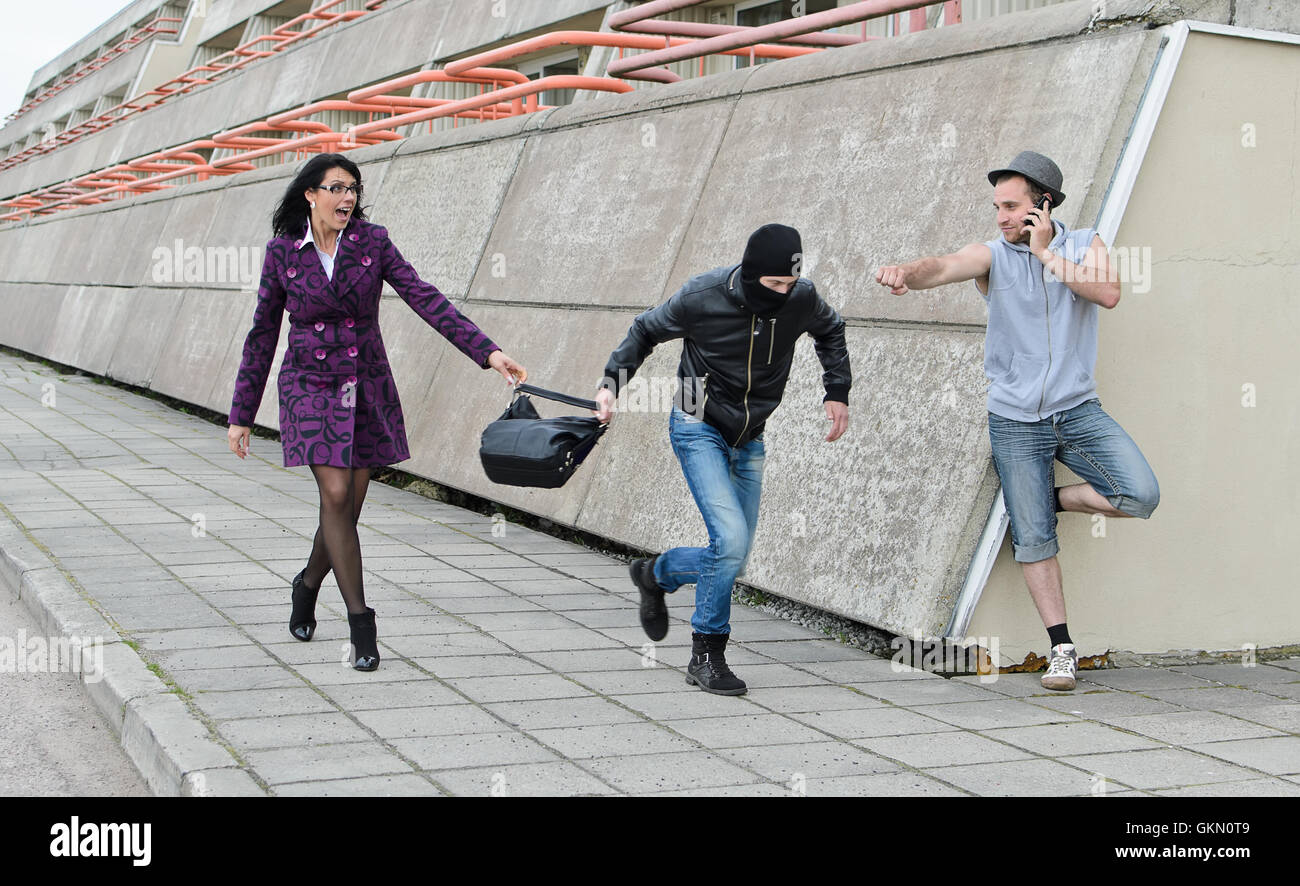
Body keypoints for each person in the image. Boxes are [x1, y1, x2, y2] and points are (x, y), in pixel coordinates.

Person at [226, 153, 526, 671]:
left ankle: (307, 583)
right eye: (338, 188)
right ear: (311, 195)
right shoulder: (282, 253)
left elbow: (424, 298)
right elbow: (262, 333)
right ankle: (361, 623)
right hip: (308, 385)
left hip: (364, 386)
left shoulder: (373, 242)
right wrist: (241, 413)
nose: (348, 198)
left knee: (346, 507)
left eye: (354, 189)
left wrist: (488, 352)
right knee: (336, 493)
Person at [875, 151, 1159, 691]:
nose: (1002, 217)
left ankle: (1048, 499)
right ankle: (1061, 648)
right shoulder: (993, 256)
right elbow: (945, 265)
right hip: (1014, 421)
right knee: (1033, 539)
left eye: (1012, 206)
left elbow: (1109, 293)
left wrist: (1046, 254)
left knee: (1139, 494)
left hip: (1076, 412)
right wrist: (905, 275)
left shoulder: (1083, 245)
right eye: (998, 207)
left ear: (1043, 205)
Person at [595, 224, 851, 695]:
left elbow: (830, 329)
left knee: (735, 556)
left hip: (750, 434)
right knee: (730, 541)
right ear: (751, 276)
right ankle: (706, 655)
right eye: (774, 285)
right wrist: (611, 385)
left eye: (790, 284)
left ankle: (656, 574)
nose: (783, 294)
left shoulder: (800, 298)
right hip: (696, 420)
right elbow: (645, 330)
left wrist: (837, 391)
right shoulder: (703, 296)